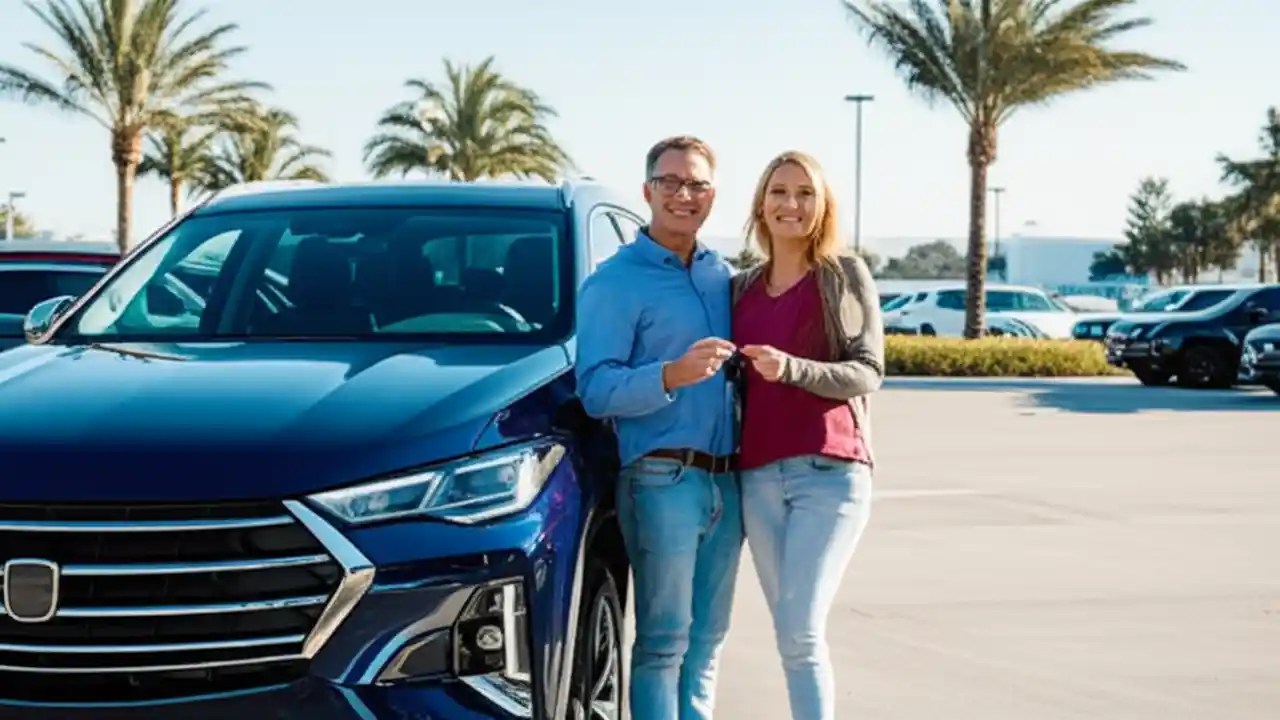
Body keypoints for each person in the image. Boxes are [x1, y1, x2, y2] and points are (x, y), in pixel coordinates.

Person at [575, 135, 743, 720]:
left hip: (728, 483)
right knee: (663, 643)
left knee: (708, 643)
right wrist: (671, 373)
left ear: (712, 195)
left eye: (696, 184)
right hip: (660, 480)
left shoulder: (724, 276)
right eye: (670, 182)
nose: (683, 195)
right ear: (648, 191)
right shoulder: (613, 283)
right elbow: (595, 390)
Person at [730, 150, 885, 720]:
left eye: (804, 194)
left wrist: (794, 368)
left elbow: (868, 370)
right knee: (790, 635)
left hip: (830, 473)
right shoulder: (740, 287)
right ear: (760, 204)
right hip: (757, 478)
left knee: (799, 630)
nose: (790, 204)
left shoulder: (842, 275)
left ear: (822, 207)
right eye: (778, 192)